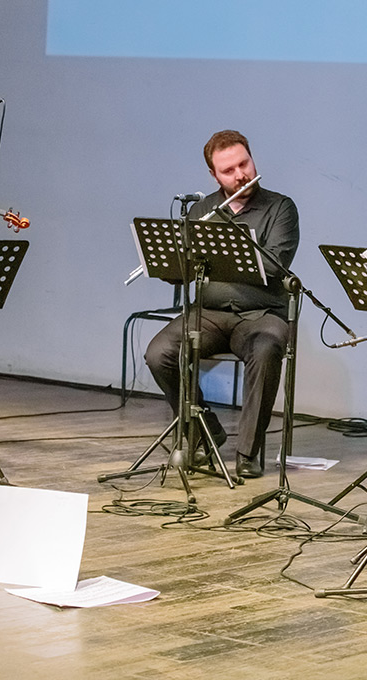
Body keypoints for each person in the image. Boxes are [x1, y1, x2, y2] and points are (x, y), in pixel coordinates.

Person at [144, 130, 299, 479]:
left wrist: (222, 254)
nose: (240, 174)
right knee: (159, 353)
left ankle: (249, 451)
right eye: (228, 170)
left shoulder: (280, 208)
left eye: (244, 163)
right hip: (210, 314)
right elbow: (184, 271)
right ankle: (203, 430)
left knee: (267, 347)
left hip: (261, 314)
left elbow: (274, 265)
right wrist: (168, 263)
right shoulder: (202, 210)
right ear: (214, 176)